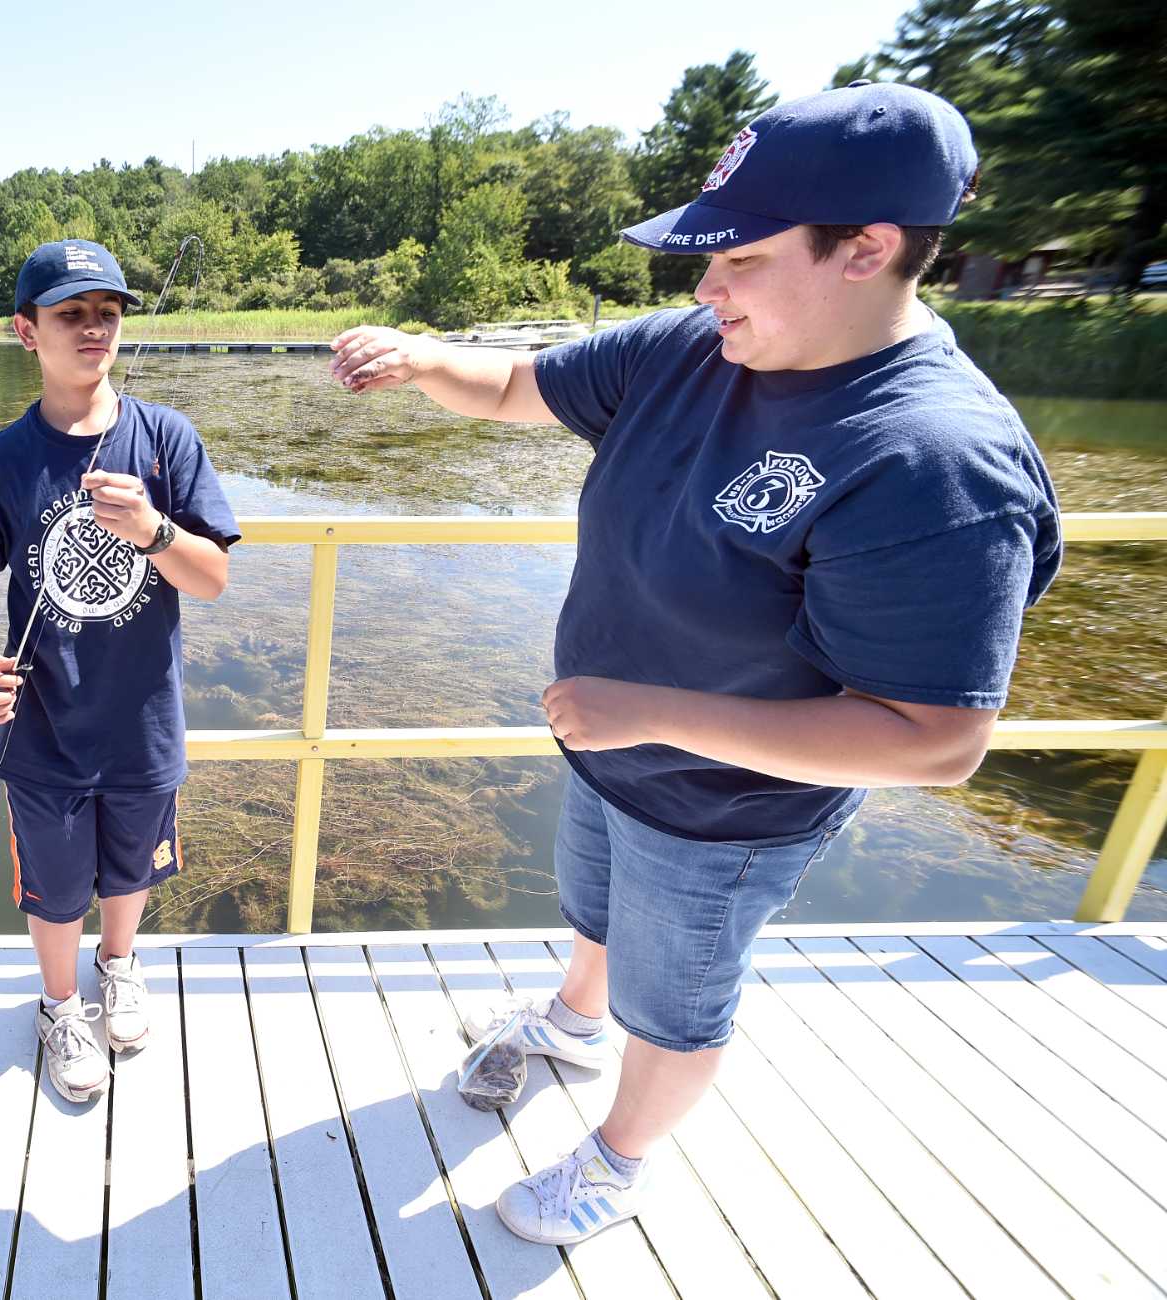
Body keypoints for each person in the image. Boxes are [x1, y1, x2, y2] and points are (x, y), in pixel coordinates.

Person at [330, 83, 1061, 1245]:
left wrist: (649, 710)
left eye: (741, 258)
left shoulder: (934, 459)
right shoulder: (693, 348)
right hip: (610, 747)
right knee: (593, 911)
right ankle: (572, 1020)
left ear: (865, 249)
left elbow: (934, 740)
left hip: (727, 812)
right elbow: (518, 386)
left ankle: (617, 1158)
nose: (704, 287)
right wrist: (422, 357)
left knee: (673, 1003)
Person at [0, 240, 239, 1103]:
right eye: (70, 313)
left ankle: (120, 966)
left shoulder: (166, 439)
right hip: (43, 730)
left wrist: (154, 531)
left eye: (107, 312)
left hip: (144, 720)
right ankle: (61, 1006)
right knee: (57, 885)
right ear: (26, 331)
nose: (94, 327)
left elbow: (213, 578)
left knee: (132, 868)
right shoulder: (2, 459)